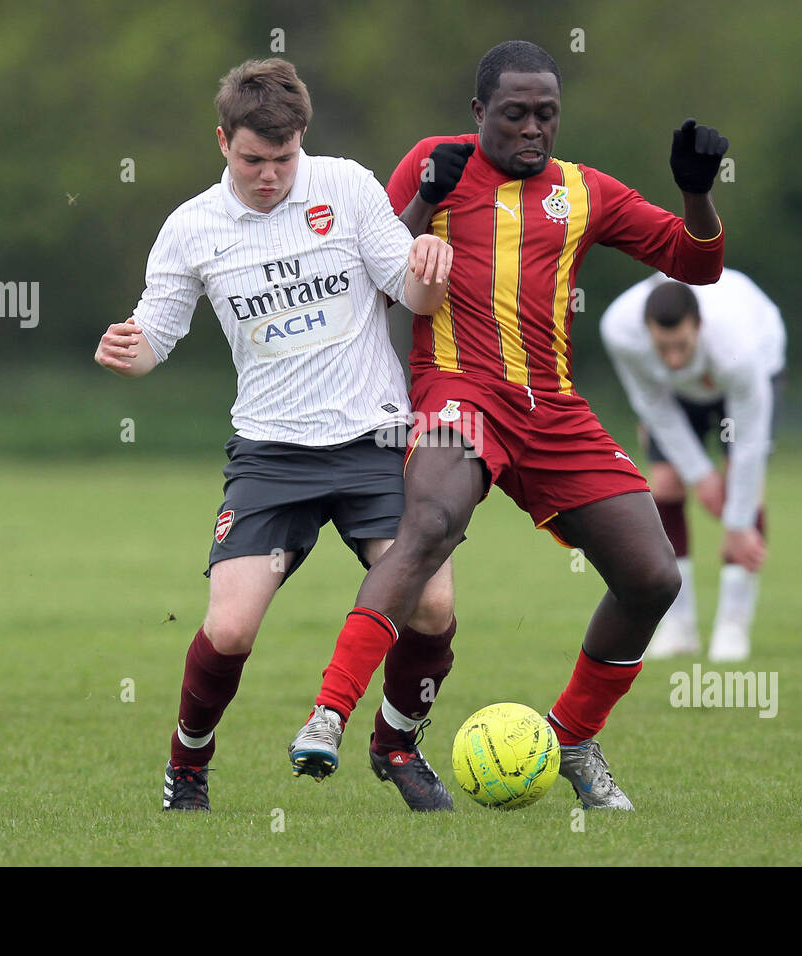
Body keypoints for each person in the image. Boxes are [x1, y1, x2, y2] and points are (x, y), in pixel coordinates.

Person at [289, 40, 728, 810]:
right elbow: (374, 283)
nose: (533, 129)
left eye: (547, 116)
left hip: (552, 408)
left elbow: (696, 265)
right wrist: (424, 202)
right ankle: (329, 712)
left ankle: (573, 739)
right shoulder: (438, 164)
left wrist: (697, 193)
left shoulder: (582, 191)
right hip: (458, 391)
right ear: (479, 113)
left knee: (653, 577)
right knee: (428, 524)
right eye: (516, 114)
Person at [93, 58, 457, 813]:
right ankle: (188, 762)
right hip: (271, 452)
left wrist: (429, 266)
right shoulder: (192, 226)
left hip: (374, 439)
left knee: (433, 609)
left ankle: (396, 743)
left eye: (284, 158)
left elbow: (411, 294)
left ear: (303, 142)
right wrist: (129, 354)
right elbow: (154, 337)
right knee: (228, 629)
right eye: (253, 160)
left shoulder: (347, 188)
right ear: (221, 141)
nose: (270, 176)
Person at [600, 268, 786, 662]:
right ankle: (679, 624)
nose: (673, 358)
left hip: (751, 375)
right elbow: (652, 405)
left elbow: (749, 443)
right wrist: (701, 475)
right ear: (646, 329)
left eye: (681, 345)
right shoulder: (620, 330)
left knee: (744, 486)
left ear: (698, 325)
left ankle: (733, 624)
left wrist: (737, 524)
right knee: (665, 484)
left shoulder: (738, 345)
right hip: (675, 397)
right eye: (662, 347)